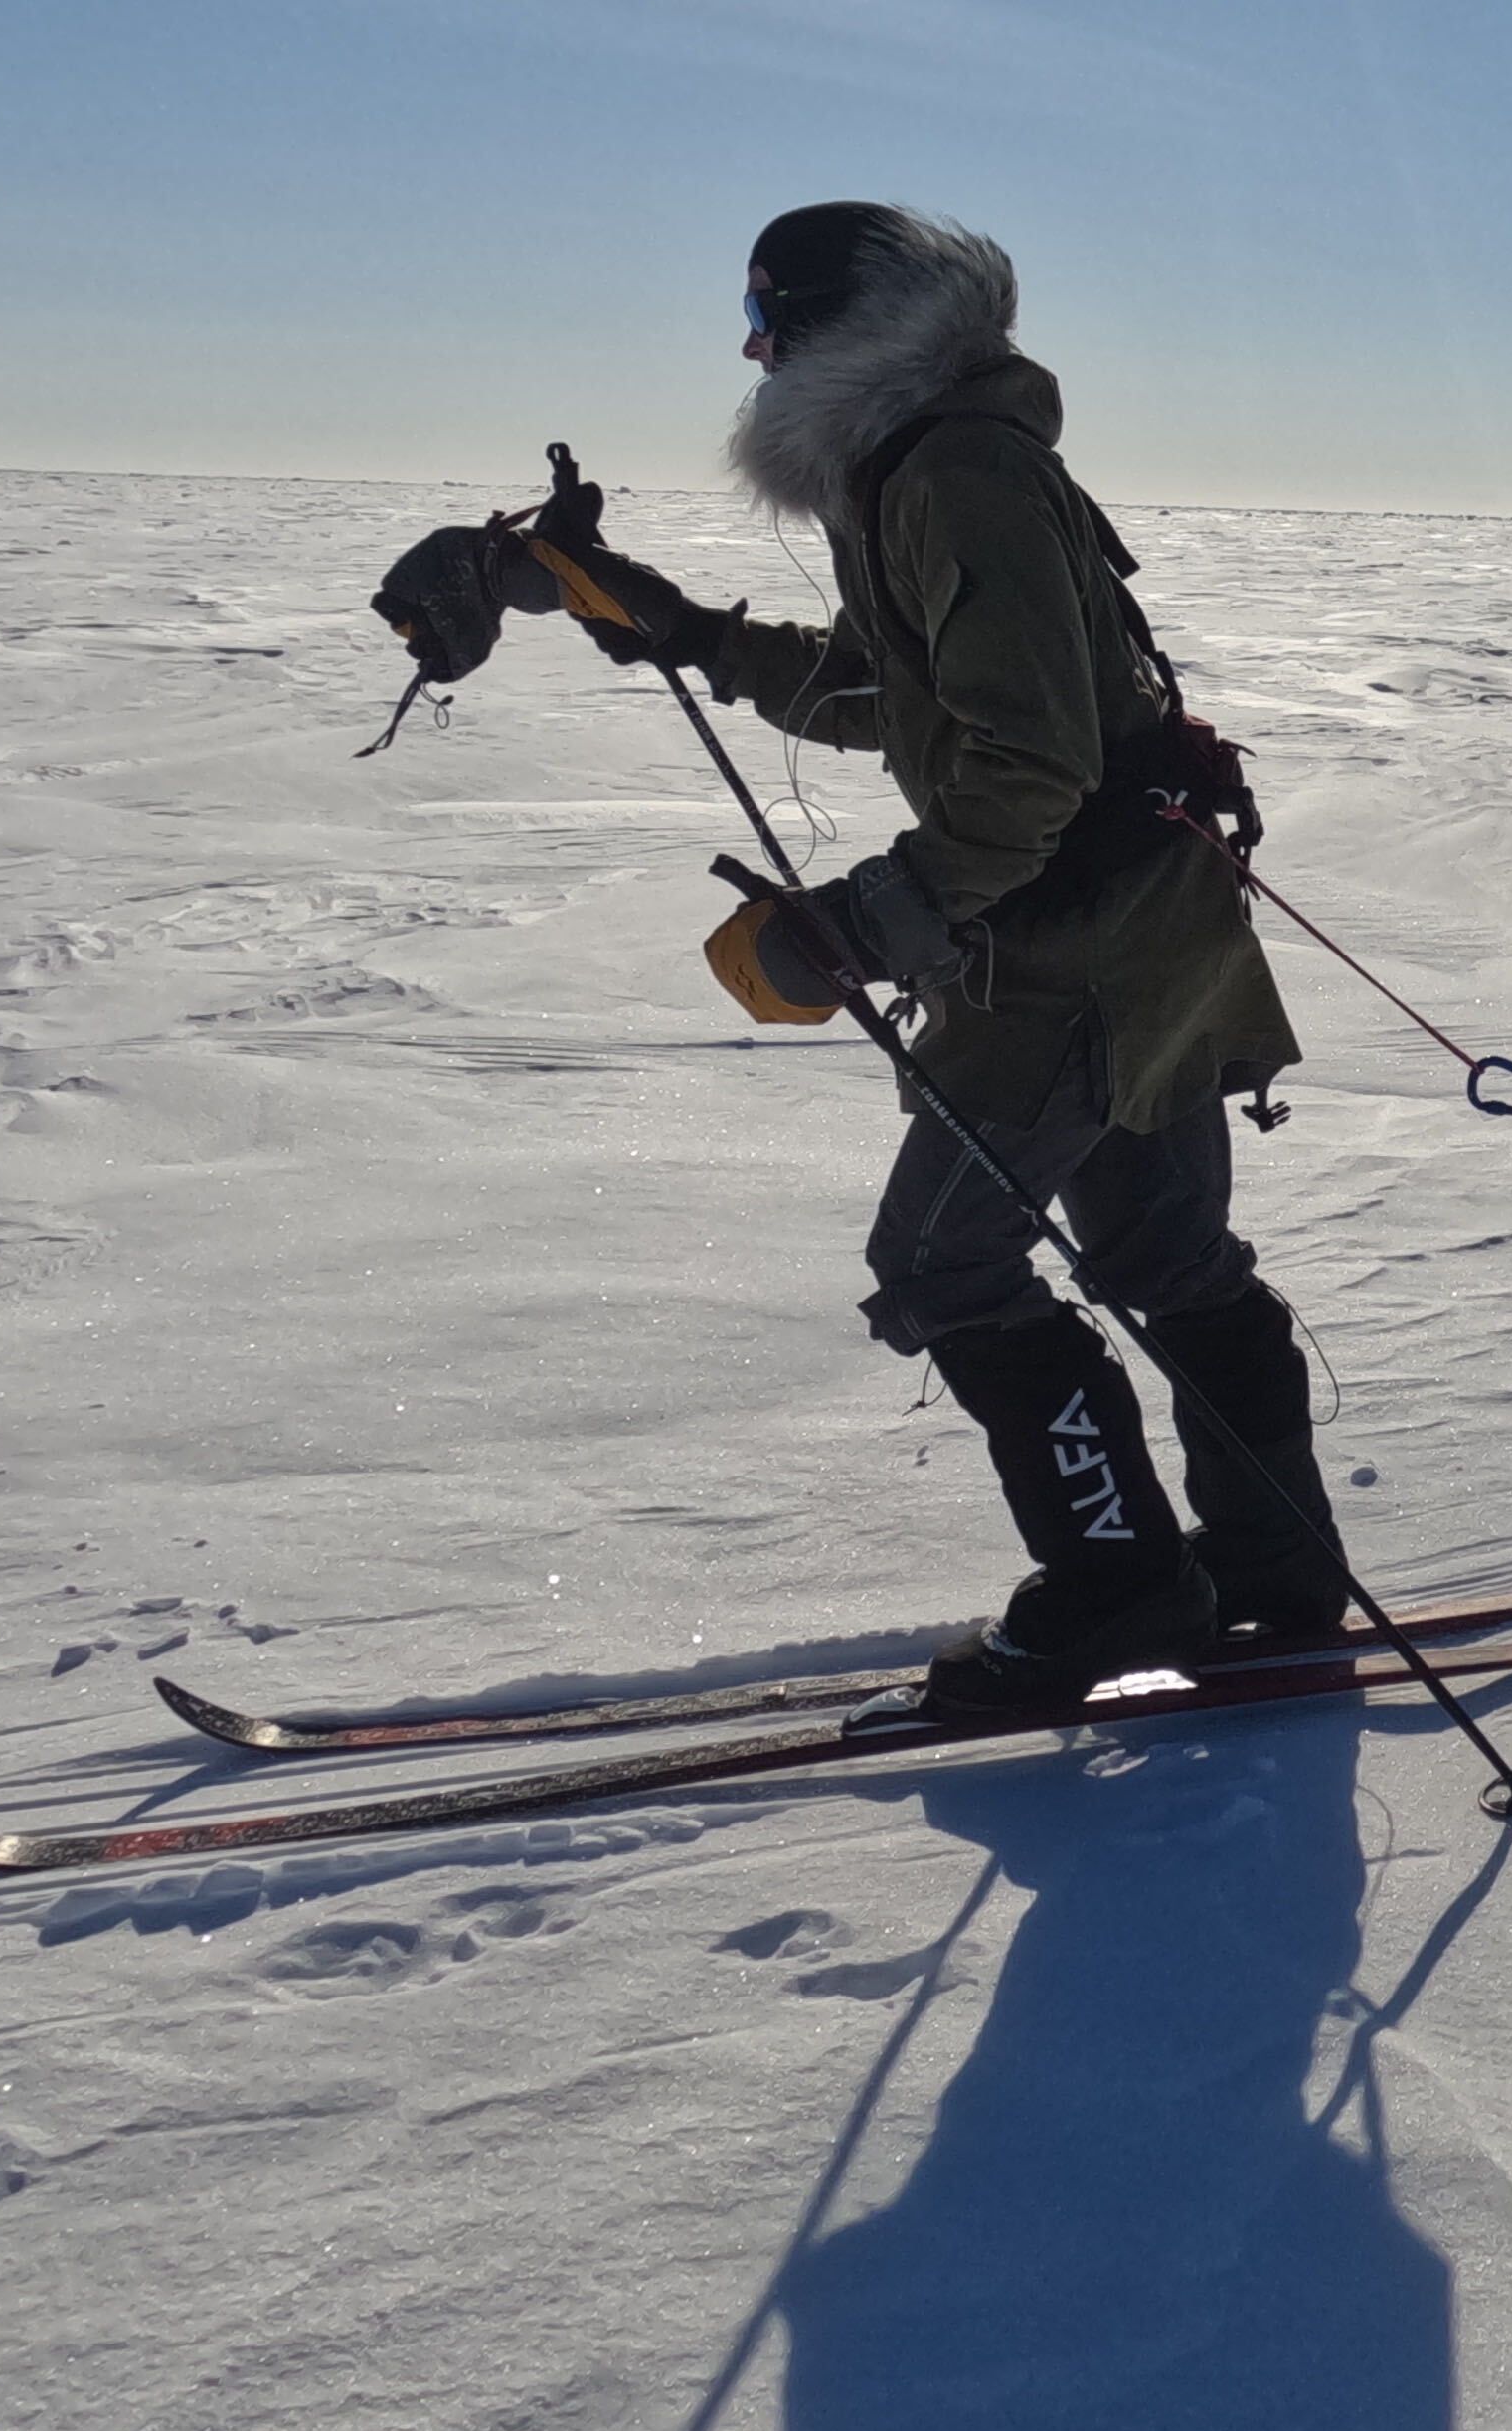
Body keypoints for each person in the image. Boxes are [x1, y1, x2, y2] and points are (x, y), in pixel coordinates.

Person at [495, 202, 1333, 1714]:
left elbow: (1021, 770)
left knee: (944, 1263)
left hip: (1075, 952)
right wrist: (681, 627)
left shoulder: (952, 472)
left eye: (766, 314)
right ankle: (1270, 1577)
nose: (748, 347)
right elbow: (903, 698)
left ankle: (1124, 1587)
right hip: (1140, 929)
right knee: (1165, 1261)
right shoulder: (930, 462)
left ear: (834, 330)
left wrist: (855, 928)